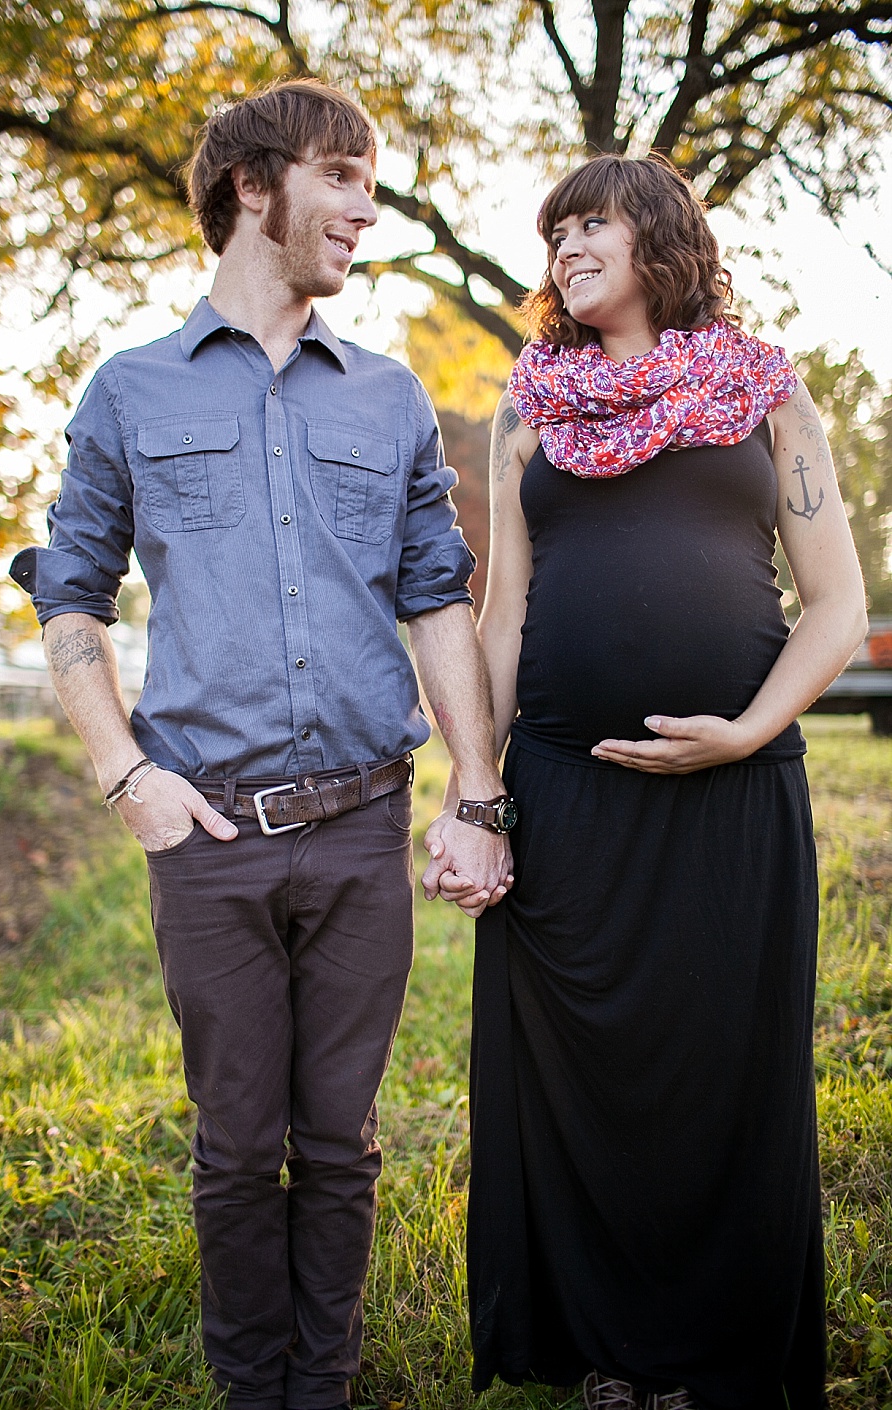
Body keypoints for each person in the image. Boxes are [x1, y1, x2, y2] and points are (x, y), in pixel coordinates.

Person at [10, 79, 513, 1410]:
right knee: (237, 1147)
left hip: (360, 826)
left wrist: (479, 791)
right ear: (253, 187)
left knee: (341, 1143)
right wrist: (128, 778)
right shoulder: (128, 392)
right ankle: (251, 1386)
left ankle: (325, 1383)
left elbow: (436, 598)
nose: (366, 208)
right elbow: (71, 593)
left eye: (370, 183)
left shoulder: (394, 402)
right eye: (342, 178)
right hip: (209, 832)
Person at [426, 155, 866, 1410]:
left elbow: (837, 607)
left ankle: (717, 1358)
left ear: (660, 235)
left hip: (734, 799)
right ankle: (607, 1355)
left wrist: (746, 729)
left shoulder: (764, 393)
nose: (564, 243)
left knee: (724, 1077)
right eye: (553, 228)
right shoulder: (529, 409)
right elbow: (502, 612)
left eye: (592, 221)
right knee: (580, 1083)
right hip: (568, 799)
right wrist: (475, 794)